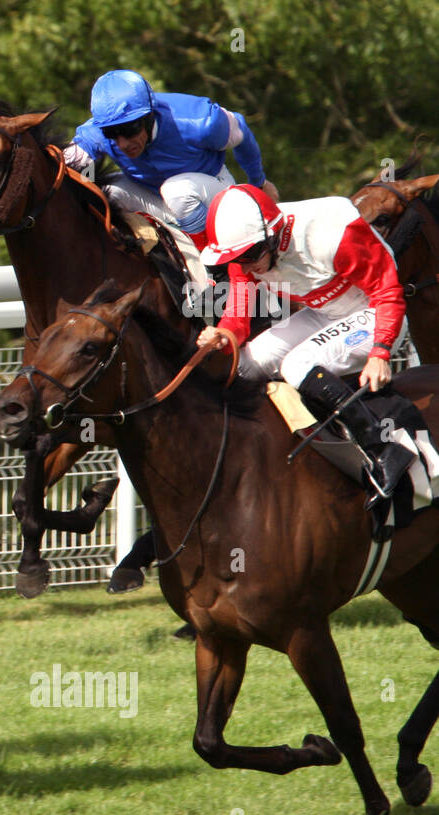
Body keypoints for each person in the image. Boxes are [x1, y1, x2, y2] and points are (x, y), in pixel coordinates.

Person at [197, 183, 415, 507]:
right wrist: (224, 335)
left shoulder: (333, 233)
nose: (244, 267)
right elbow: (239, 315)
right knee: (244, 364)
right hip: (325, 314)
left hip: (377, 316)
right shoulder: (246, 252)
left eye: (249, 257)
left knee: (297, 364)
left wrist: (381, 352)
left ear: (274, 234)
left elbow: (387, 294)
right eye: (235, 260)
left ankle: (383, 449)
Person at [64, 69, 279, 250]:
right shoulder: (99, 133)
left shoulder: (202, 123)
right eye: (112, 133)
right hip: (156, 197)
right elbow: (67, 161)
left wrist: (258, 183)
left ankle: (212, 261)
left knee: (177, 191)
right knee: (103, 190)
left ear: (149, 117)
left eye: (129, 129)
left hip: (211, 196)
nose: (122, 143)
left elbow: (243, 133)